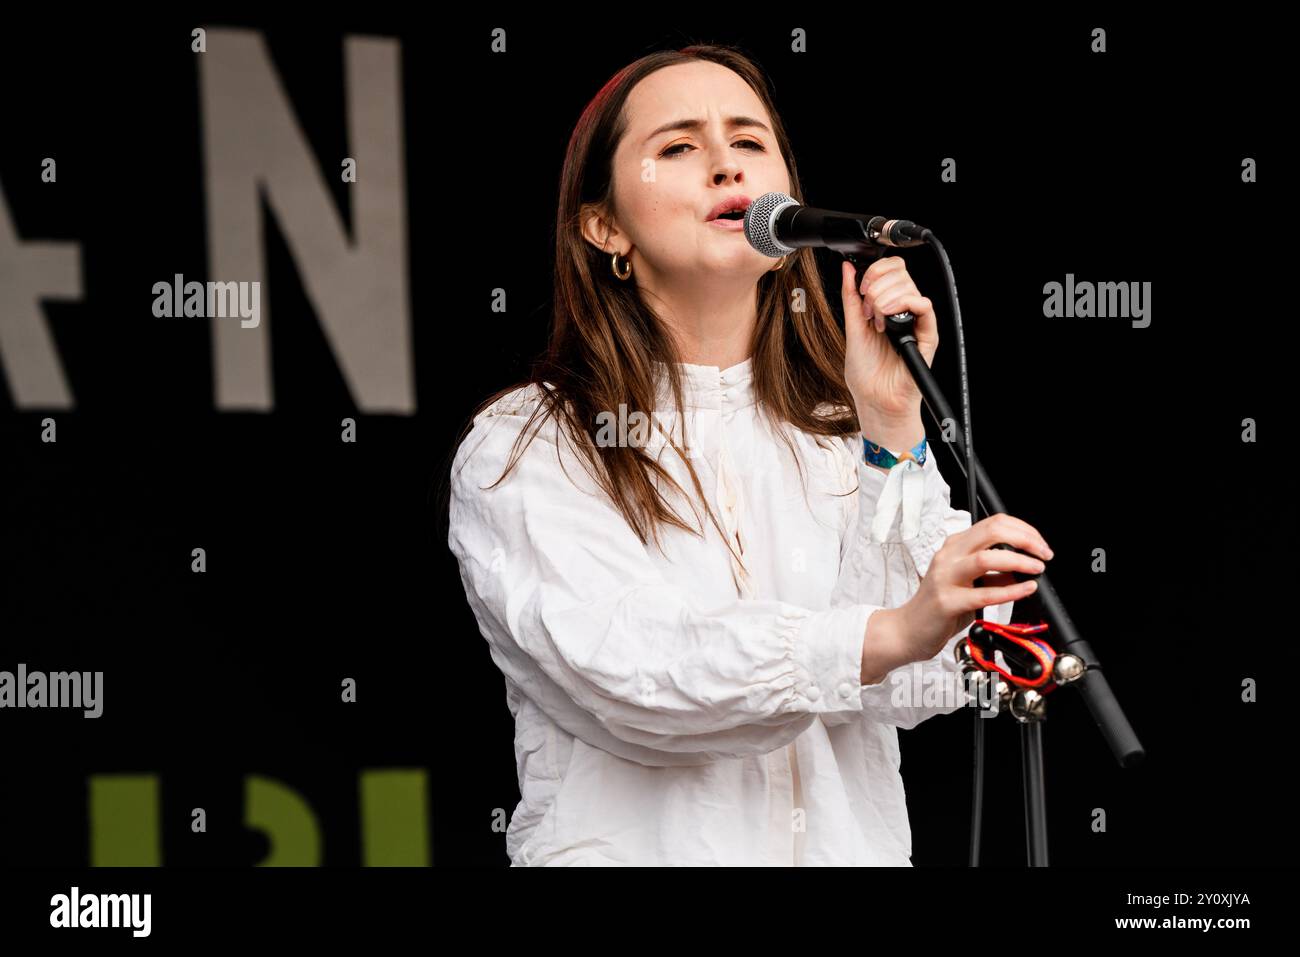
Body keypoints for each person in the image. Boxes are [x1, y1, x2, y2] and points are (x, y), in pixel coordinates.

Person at [446, 44, 1051, 866]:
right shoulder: (528, 445)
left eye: (749, 140)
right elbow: (638, 675)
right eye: (679, 147)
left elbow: (932, 678)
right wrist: (888, 632)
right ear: (604, 225)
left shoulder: (838, 426)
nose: (726, 164)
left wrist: (893, 430)